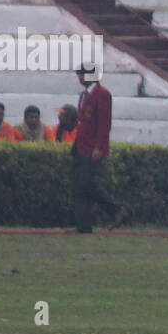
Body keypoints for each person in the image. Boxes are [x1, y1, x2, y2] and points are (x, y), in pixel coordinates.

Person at [71, 63, 125, 233]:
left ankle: (116, 209)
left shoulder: (102, 94)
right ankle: (84, 225)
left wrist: (99, 147)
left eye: (83, 74)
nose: (80, 78)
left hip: (93, 148)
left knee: (87, 183)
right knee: (80, 186)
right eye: (79, 74)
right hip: (81, 147)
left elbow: (104, 123)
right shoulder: (84, 95)